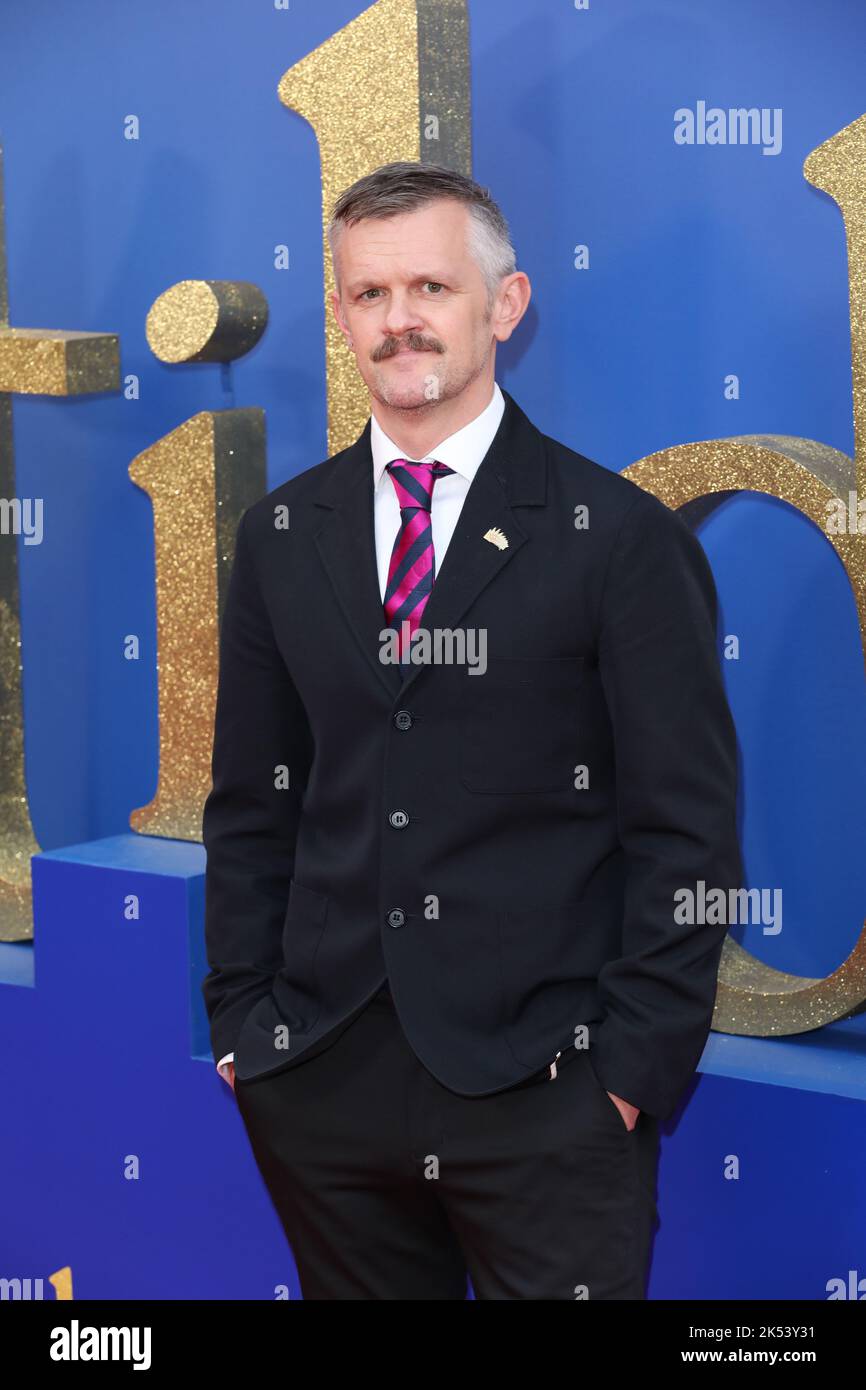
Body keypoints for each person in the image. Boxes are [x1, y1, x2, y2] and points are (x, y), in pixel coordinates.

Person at [201, 161, 742, 1300]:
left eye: (431, 288)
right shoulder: (283, 534)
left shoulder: (618, 541)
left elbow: (685, 831)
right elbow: (255, 804)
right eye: (367, 294)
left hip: (547, 1094)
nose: (399, 322)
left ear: (503, 305)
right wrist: (248, 1031)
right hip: (324, 1082)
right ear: (341, 313)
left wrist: (626, 1074)